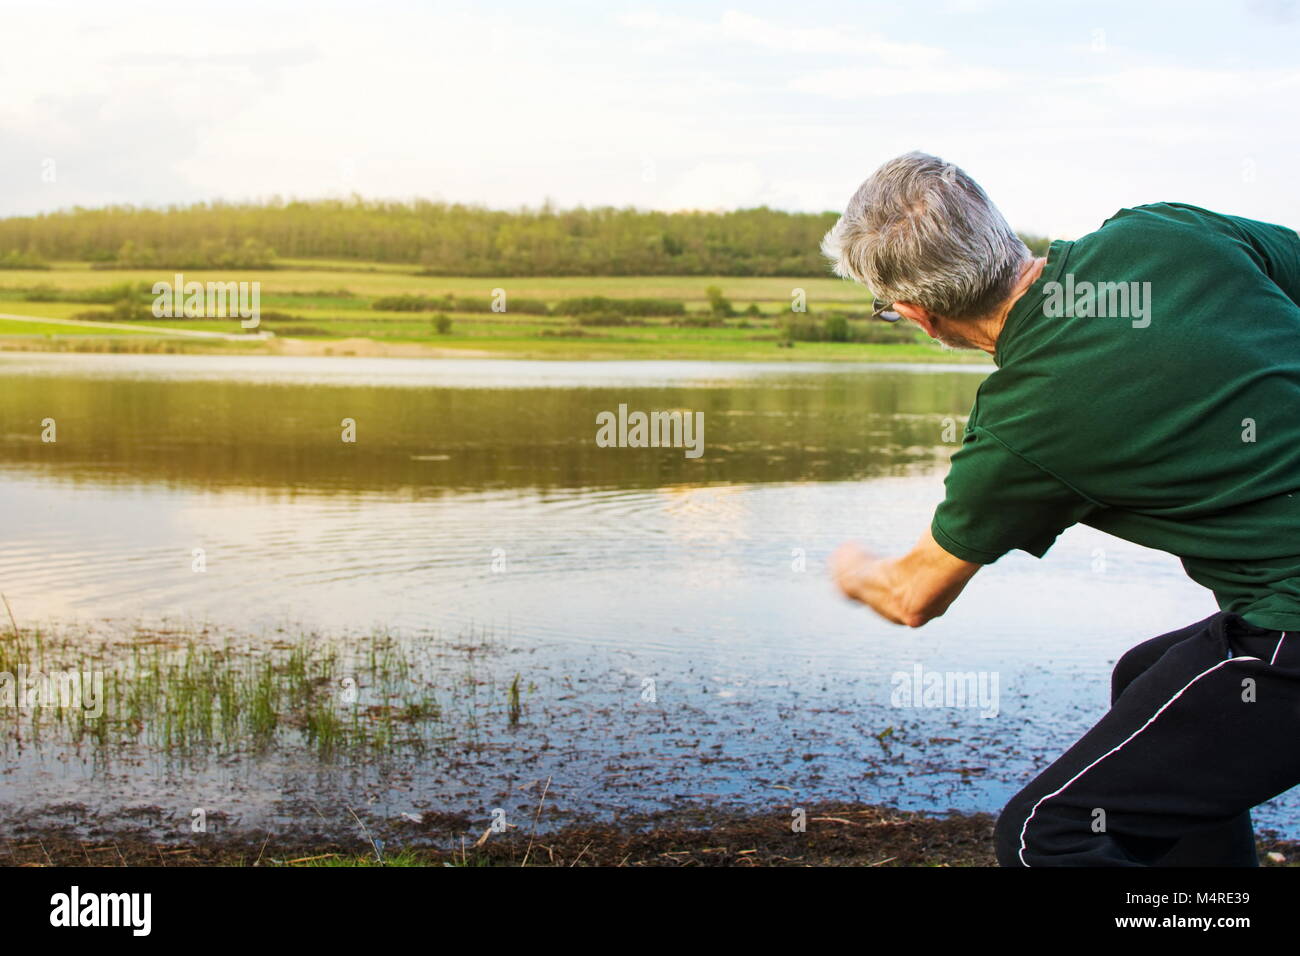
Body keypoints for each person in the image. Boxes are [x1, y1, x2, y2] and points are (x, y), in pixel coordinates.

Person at [822, 151, 1300, 867]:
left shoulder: (1022, 422)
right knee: (1146, 675)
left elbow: (913, 596)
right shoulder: (1163, 233)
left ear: (921, 316)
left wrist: (853, 569)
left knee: (1051, 834)